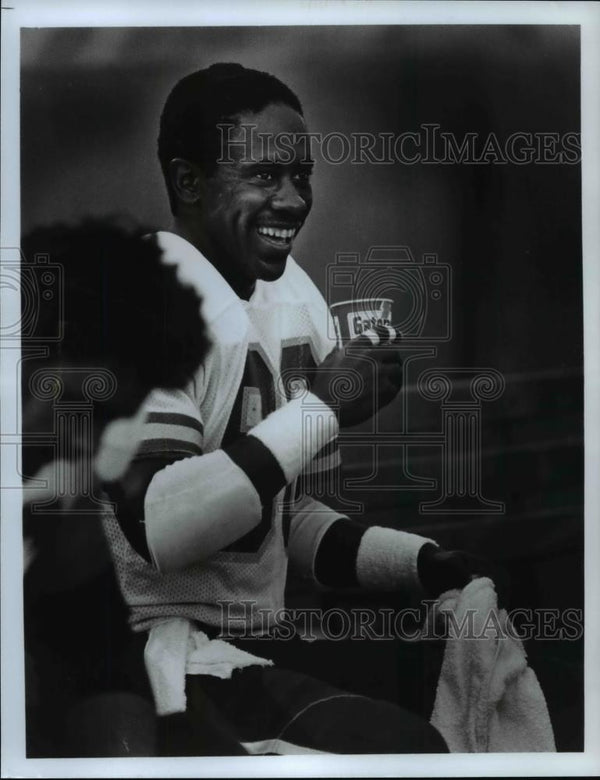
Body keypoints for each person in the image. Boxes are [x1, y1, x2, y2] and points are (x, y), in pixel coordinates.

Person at [103, 64, 498, 755]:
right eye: (262, 176)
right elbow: (158, 525)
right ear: (189, 182)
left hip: (249, 647)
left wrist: (418, 561)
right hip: (145, 660)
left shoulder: (292, 298)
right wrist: (320, 409)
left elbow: (285, 518)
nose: (291, 200)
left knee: (442, 708)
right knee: (408, 751)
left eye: (301, 175)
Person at [20, 220, 243, 756]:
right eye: (84, 404)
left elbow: (98, 666)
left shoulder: (66, 503)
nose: (97, 447)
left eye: (114, 416)